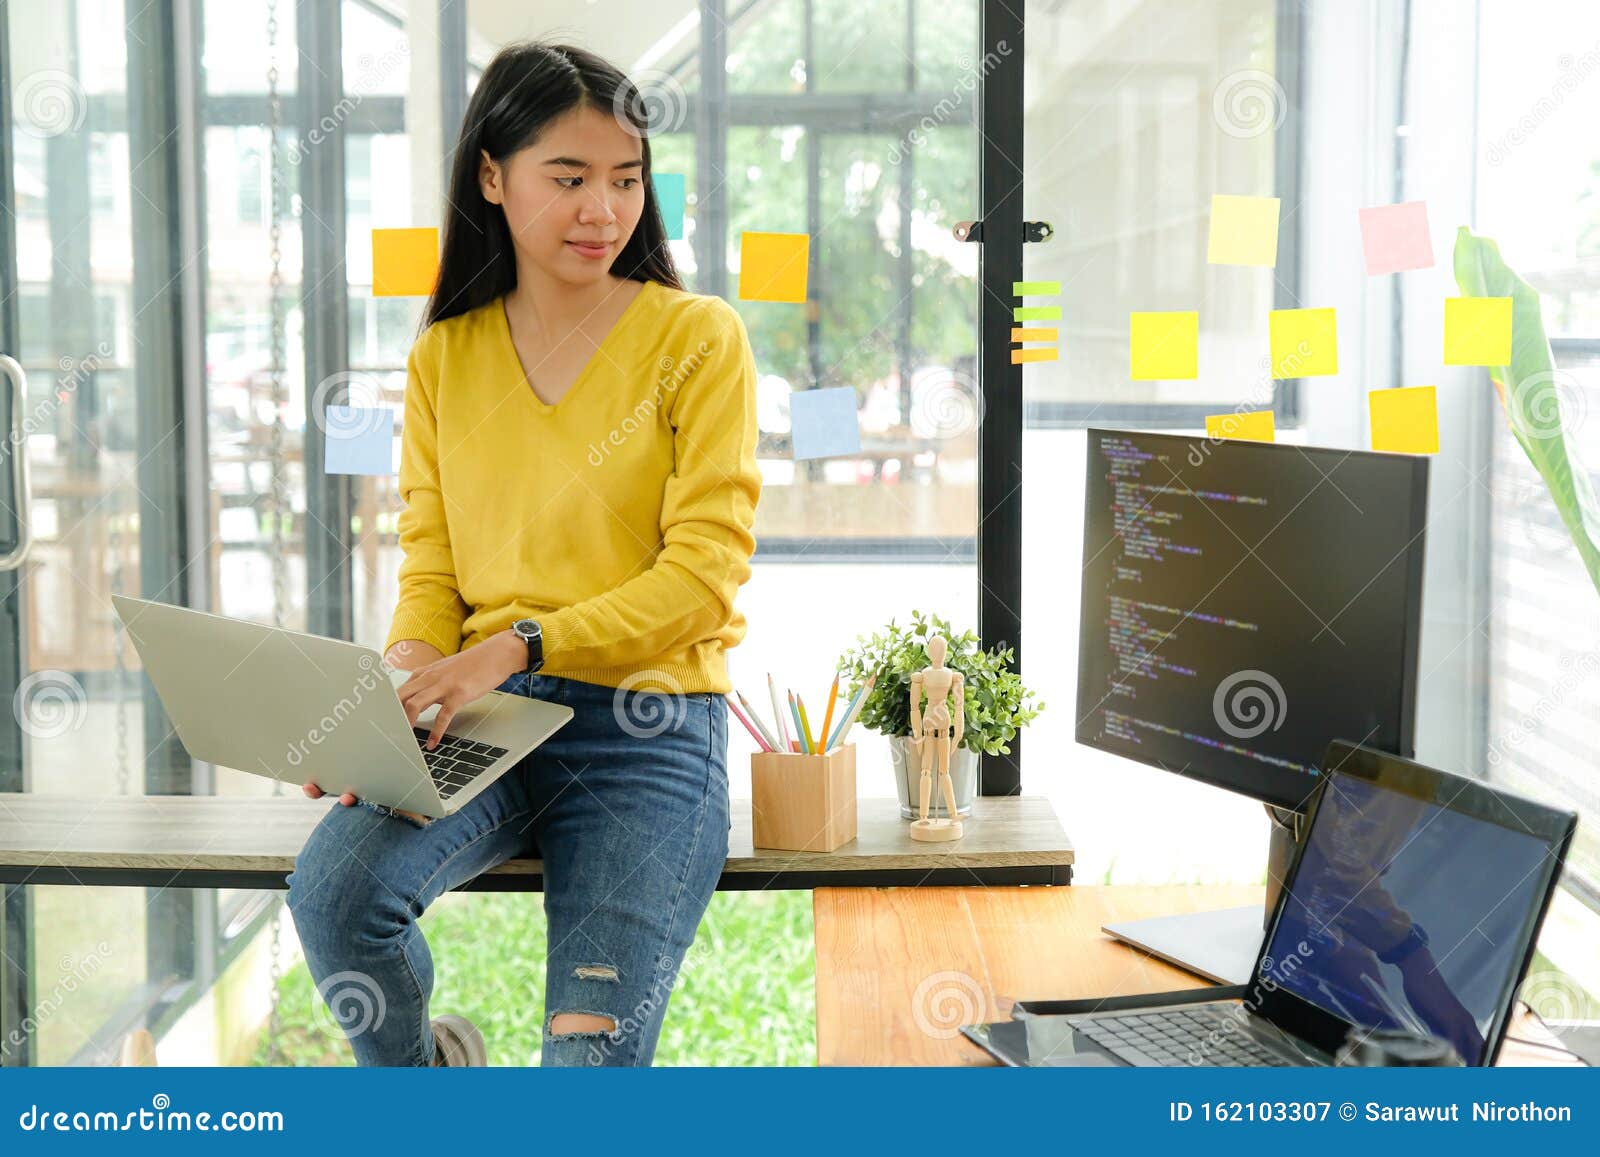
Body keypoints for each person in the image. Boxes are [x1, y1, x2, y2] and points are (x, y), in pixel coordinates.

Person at [284, 41, 761, 1068]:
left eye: (626, 180)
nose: (604, 210)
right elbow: (431, 570)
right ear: (492, 177)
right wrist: (401, 690)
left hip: (649, 722)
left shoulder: (699, 338)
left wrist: (515, 645)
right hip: (482, 717)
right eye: (570, 177)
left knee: (584, 1069)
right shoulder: (445, 355)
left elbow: (701, 576)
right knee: (333, 896)